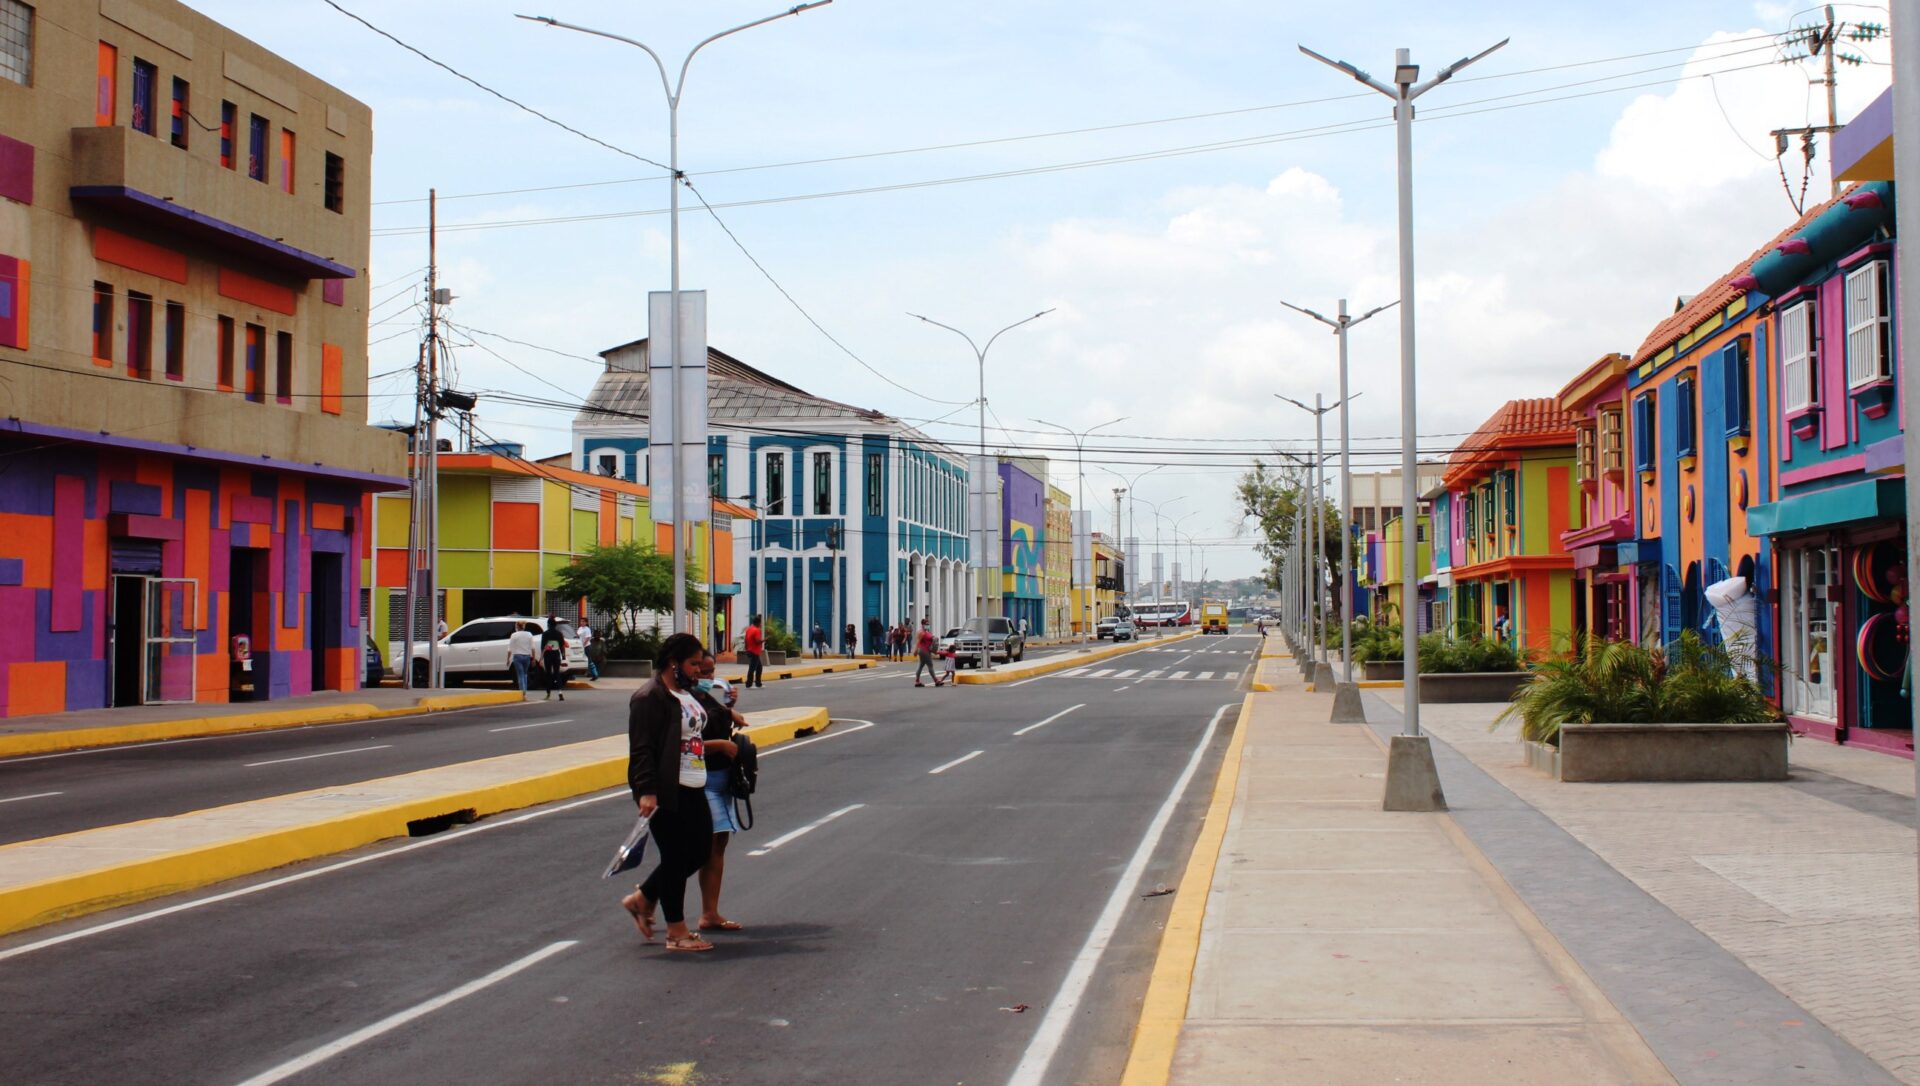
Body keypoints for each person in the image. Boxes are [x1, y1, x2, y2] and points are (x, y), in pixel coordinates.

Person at [620, 633, 735, 953]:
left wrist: (729, 710)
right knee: (674, 858)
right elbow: (642, 749)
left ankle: (642, 898)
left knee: (698, 852)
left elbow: (698, 732)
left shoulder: (685, 693)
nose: (699, 670)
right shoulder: (649, 697)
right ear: (674, 663)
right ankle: (676, 932)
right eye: (694, 663)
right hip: (668, 788)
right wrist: (647, 791)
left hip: (695, 783)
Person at [692, 650, 748, 933]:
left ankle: (710, 912)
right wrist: (719, 746)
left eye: (710, 672)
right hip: (703, 780)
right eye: (701, 671)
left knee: (716, 847)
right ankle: (647, 896)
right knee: (699, 849)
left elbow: (717, 720)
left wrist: (729, 707)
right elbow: (684, 743)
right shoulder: (685, 703)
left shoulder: (706, 699)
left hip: (720, 779)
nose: (707, 677)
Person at [540, 617, 567, 701]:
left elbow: (543, 647)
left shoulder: (545, 634)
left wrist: (541, 658)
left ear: (548, 625)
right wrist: (563, 656)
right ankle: (560, 692)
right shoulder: (559, 634)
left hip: (548, 655)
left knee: (548, 674)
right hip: (556, 654)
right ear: (555, 625)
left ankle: (548, 694)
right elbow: (562, 646)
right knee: (557, 673)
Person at [507, 621, 535, 694]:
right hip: (527, 656)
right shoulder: (529, 634)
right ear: (524, 626)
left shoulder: (514, 635)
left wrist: (508, 659)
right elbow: (533, 648)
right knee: (525, 674)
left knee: (520, 674)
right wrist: (533, 659)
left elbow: (510, 649)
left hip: (517, 656)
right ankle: (525, 690)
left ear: (517, 627)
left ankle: (522, 691)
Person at [914, 620, 940, 687]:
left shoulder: (925, 632)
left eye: (928, 624)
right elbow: (918, 642)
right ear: (922, 624)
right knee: (930, 665)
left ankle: (917, 681)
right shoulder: (921, 632)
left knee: (921, 665)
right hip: (924, 650)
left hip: (925, 650)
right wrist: (915, 651)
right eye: (926, 624)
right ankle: (936, 681)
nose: (928, 625)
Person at [742, 615, 765, 689]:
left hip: (750, 650)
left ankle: (758, 683)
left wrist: (746, 648)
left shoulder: (749, 629)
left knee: (759, 667)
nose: (761, 624)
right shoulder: (757, 630)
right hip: (754, 652)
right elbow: (758, 641)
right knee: (752, 668)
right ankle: (749, 684)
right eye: (760, 623)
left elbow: (745, 639)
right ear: (758, 623)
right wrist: (764, 640)